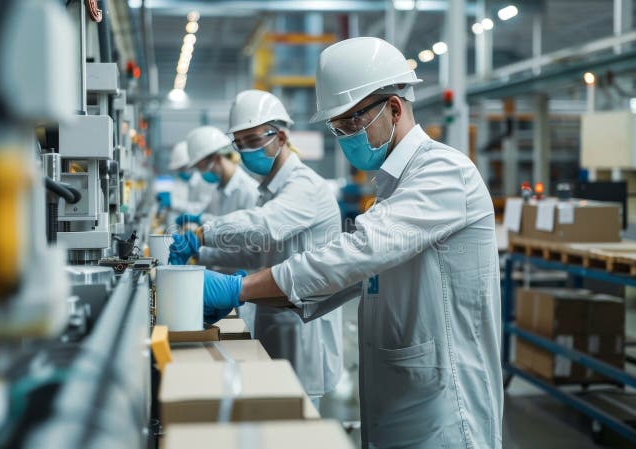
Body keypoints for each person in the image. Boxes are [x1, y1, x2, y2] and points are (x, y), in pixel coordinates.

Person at [198, 37, 503, 449]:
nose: (344, 138)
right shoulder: (393, 186)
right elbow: (357, 276)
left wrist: (241, 288)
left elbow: (359, 252)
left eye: (351, 124)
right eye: (337, 128)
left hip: (446, 404)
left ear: (394, 108)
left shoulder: (445, 172)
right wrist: (253, 291)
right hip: (401, 389)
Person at [168, 89, 344, 408]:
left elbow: (263, 225)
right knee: (274, 411)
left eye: (253, 141)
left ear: (281, 137)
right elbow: (255, 253)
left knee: (297, 418)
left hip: (303, 331)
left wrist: (203, 235)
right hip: (275, 319)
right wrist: (201, 255)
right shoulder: (270, 190)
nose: (247, 151)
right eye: (240, 143)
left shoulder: (305, 186)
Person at [174, 126, 259, 227]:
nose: (202, 174)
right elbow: (218, 219)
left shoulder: (248, 190)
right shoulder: (219, 188)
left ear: (217, 158)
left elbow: (249, 229)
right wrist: (200, 219)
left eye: (203, 168)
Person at [167, 141, 217, 217]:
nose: (181, 172)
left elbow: (203, 207)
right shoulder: (182, 181)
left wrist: (174, 203)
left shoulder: (205, 181)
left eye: (183, 168)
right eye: (179, 169)